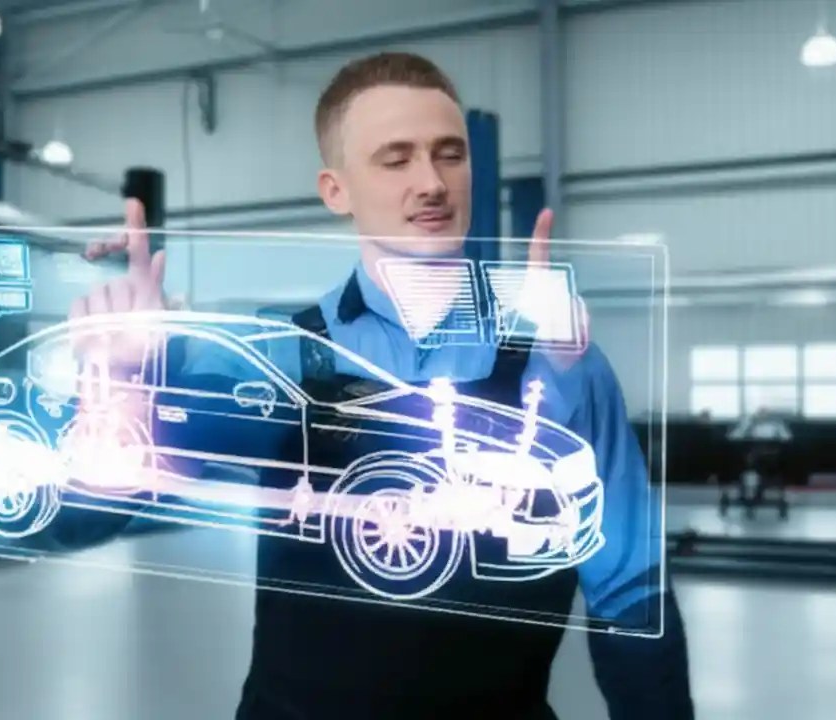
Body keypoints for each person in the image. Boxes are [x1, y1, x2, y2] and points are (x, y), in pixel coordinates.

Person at [68, 52, 694, 719]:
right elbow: (84, 518)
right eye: (395, 159)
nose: (430, 182)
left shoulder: (563, 365)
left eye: (449, 155)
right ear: (335, 189)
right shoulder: (276, 357)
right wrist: (124, 383)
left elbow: (631, 593)